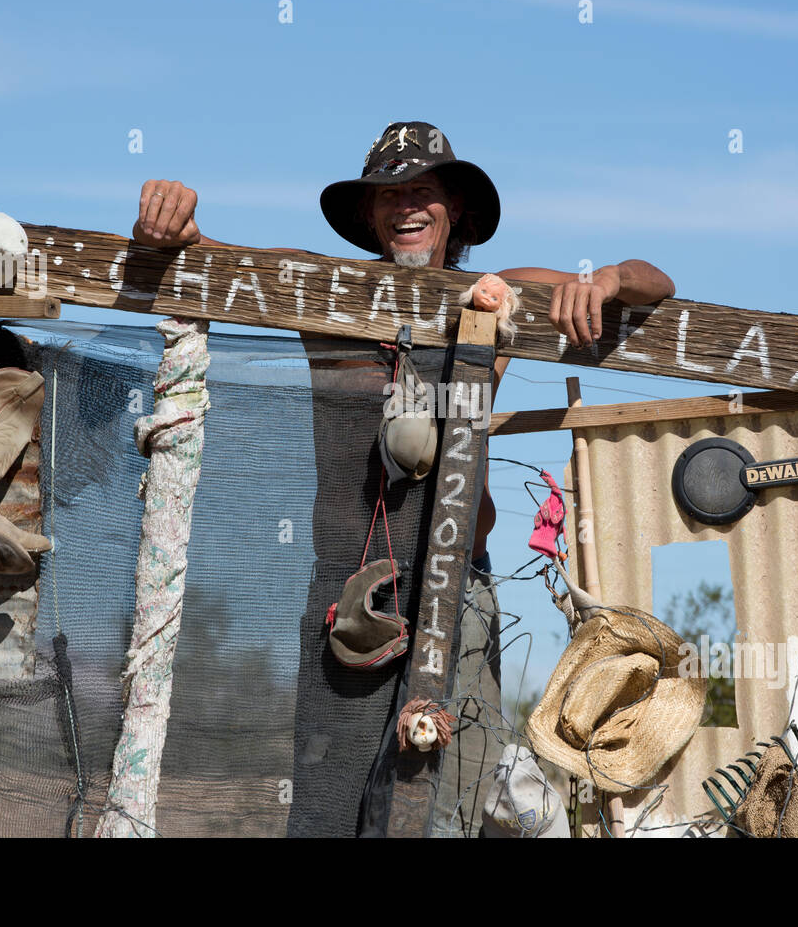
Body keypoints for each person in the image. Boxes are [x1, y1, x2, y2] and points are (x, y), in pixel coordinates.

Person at [131, 120, 676, 835]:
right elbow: (199, 255)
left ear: (457, 215)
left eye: (424, 190)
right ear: (368, 217)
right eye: (388, 195)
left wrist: (603, 280)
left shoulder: (495, 298)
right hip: (347, 595)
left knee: (442, 807)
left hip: (462, 595)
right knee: (331, 809)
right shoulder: (324, 295)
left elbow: (654, 283)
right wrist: (170, 216)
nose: (406, 205)